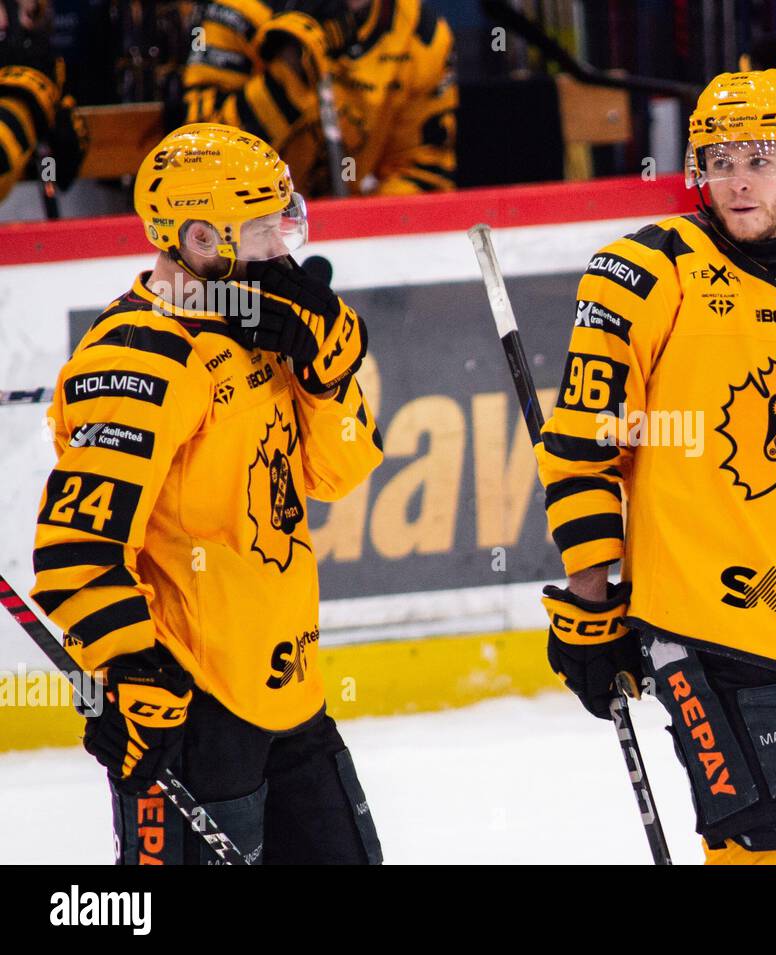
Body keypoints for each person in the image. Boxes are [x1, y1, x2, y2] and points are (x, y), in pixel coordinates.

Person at [535, 69, 776, 864]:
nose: (738, 181)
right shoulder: (646, 274)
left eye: (759, 159)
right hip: (701, 623)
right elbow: (583, 446)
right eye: (720, 160)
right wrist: (590, 604)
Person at [30, 122, 384, 864]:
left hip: (289, 690)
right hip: (192, 705)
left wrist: (326, 374)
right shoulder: (140, 355)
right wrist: (128, 669)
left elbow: (337, 474)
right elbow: (78, 547)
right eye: (261, 229)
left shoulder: (262, 325)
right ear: (199, 239)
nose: (282, 249)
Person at [179, 0, 456, 197]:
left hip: (345, 236)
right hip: (242, 237)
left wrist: (365, 235)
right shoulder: (236, 10)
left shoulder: (420, 31)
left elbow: (421, 175)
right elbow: (201, 165)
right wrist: (291, 69)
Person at [0, 0, 84, 206]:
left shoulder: (43, 58)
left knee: (46, 158)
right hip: (31, 144)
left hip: (38, 149)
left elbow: (63, 139)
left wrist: (53, 175)